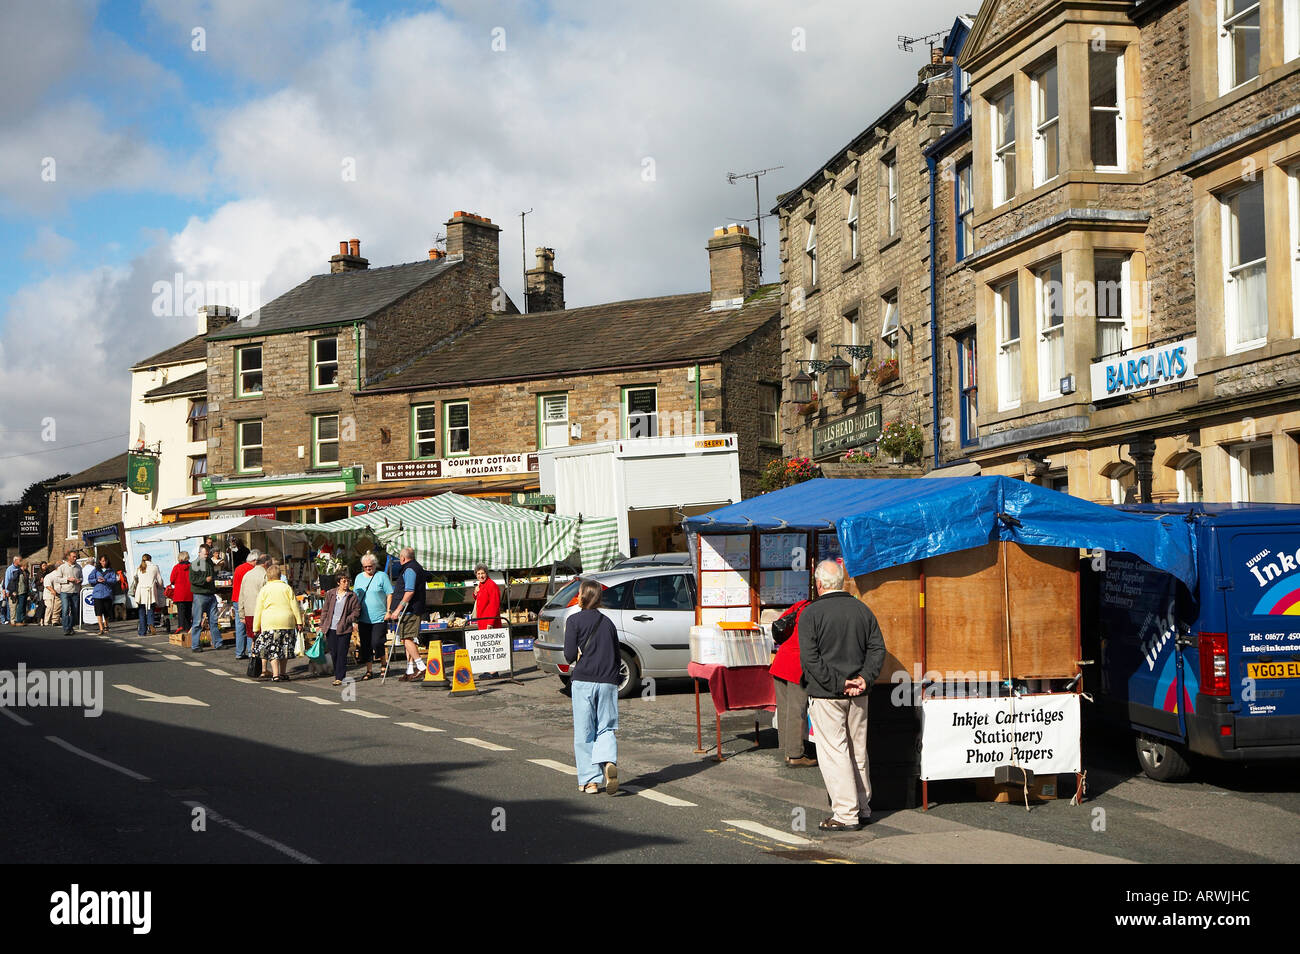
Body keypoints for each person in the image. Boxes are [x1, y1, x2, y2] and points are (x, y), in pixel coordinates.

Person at [798, 560, 886, 832]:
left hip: (827, 694)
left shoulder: (811, 614)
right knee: (858, 751)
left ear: (819, 584)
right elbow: (877, 649)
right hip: (859, 693)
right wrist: (863, 678)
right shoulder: (862, 609)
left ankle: (846, 813)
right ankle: (862, 806)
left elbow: (810, 660)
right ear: (842, 583)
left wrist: (839, 682)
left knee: (835, 752)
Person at [564, 578, 621, 795]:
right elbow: (616, 656)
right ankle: (607, 762)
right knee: (606, 727)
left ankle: (590, 781)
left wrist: (578, 654)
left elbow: (569, 655)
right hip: (607, 681)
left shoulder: (574, 621)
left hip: (584, 680)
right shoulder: (608, 623)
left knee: (585, 730)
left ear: (583, 596)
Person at [769, 598, 817, 766]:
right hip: (797, 664)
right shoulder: (817, 610)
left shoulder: (802, 604)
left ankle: (786, 749)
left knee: (784, 709)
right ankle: (795, 754)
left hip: (782, 660)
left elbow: (781, 622)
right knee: (797, 710)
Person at [253, 563, 304, 682]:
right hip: (286, 621)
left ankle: (275, 674)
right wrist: (299, 621)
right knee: (284, 647)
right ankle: (283, 672)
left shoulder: (264, 589)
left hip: (269, 622)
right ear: (280, 575)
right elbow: (294, 605)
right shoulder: (286, 588)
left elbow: (258, 609)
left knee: (273, 649)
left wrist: (256, 627)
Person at [387, 547, 428, 682]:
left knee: (407, 639)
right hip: (411, 609)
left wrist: (398, 609)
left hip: (410, 610)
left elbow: (409, 591)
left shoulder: (410, 569)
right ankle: (410, 669)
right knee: (407, 639)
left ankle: (421, 666)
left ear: (403, 558)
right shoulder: (414, 567)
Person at [353, 553, 394, 680]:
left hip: (380, 616)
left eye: (370, 566)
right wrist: (354, 617)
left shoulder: (382, 576)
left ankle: (383, 663)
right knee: (365, 645)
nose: (367, 569)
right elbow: (355, 597)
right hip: (363, 618)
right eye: (365, 567)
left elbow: (390, 594)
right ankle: (369, 670)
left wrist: (389, 611)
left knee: (377, 642)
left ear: (375, 565)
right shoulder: (359, 577)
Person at [320, 573, 361, 686]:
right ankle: (337, 674)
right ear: (338, 582)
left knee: (342, 653)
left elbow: (356, 611)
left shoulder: (352, 595)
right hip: (331, 627)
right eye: (344, 581)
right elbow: (325, 610)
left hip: (344, 628)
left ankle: (340, 677)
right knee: (334, 653)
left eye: (348, 581)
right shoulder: (331, 594)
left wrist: (348, 619)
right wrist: (322, 625)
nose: (346, 583)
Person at [189, 544, 223, 652]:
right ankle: (195, 645)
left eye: (207, 554)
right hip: (200, 595)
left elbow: (212, 573)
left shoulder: (209, 562)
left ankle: (218, 643)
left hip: (210, 594)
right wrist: (205, 580)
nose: (206, 556)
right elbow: (193, 580)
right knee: (197, 621)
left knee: (213, 620)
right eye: (204, 554)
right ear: (199, 553)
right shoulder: (195, 564)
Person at [239, 553, 272, 658]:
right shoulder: (265, 575)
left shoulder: (247, 575)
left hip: (249, 612)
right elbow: (269, 595)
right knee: (263, 639)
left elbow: (241, 596)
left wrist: (241, 614)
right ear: (266, 563)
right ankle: (262, 666)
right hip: (262, 613)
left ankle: (253, 661)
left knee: (254, 638)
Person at [231, 550, 259, 658]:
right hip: (246, 600)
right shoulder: (251, 570)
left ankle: (239, 652)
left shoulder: (238, 568)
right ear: (254, 560)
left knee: (239, 626)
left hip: (236, 599)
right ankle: (250, 650)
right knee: (249, 625)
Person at [131, 554, 164, 637]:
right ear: (150, 559)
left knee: (141, 611)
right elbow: (160, 581)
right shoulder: (155, 567)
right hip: (151, 591)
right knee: (151, 609)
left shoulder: (139, 568)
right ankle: (151, 624)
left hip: (141, 591)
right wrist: (160, 586)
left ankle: (142, 631)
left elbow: (135, 579)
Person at [53, 551, 82, 635]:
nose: (75, 558)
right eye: (73, 557)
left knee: (74, 610)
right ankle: (66, 628)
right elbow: (57, 579)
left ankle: (71, 627)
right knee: (65, 609)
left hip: (75, 591)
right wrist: (67, 579)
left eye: (76, 557)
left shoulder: (78, 567)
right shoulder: (62, 567)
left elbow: (81, 578)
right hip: (65, 591)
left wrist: (79, 580)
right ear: (68, 557)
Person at [86, 555, 116, 635]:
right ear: (99, 561)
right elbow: (90, 579)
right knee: (98, 612)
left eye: (105, 561)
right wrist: (97, 580)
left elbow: (114, 580)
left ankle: (106, 625)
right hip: (97, 594)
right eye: (102, 561)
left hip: (107, 593)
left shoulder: (111, 570)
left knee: (106, 611)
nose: (104, 562)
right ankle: (101, 628)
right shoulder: (96, 570)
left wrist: (105, 580)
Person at [472, 563, 502, 629]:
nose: (481, 576)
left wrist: (490, 622)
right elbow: (479, 599)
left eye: (482, 573)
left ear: (486, 573)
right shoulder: (481, 584)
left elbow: (494, 605)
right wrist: (475, 593)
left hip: (489, 623)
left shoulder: (491, 585)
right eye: (478, 574)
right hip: (482, 621)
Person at [170, 551, 194, 635]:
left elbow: (172, 580)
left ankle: (181, 626)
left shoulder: (176, 567)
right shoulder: (192, 566)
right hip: (190, 592)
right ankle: (188, 628)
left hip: (180, 593)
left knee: (181, 611)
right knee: (188, 611)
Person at [4, 557, 23, 626]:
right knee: (13, 605)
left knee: (18, 605)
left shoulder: (19, 568)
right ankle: (12, 620)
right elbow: (7, 580)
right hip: (12, 589)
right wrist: (7, 591)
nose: (21, 561)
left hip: (19, 589)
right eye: (20, 560)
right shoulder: (10, 569)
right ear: (15, 561)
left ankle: (18, 620)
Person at [43, 562, 62, 627]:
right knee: (49, 607)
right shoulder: (50, 575)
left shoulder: (61, 575)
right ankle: (46, 621)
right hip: (49, 594)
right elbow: (47, 585)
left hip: (58, 594)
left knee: (57, 608)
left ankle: (55, 621)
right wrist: (52, 590)